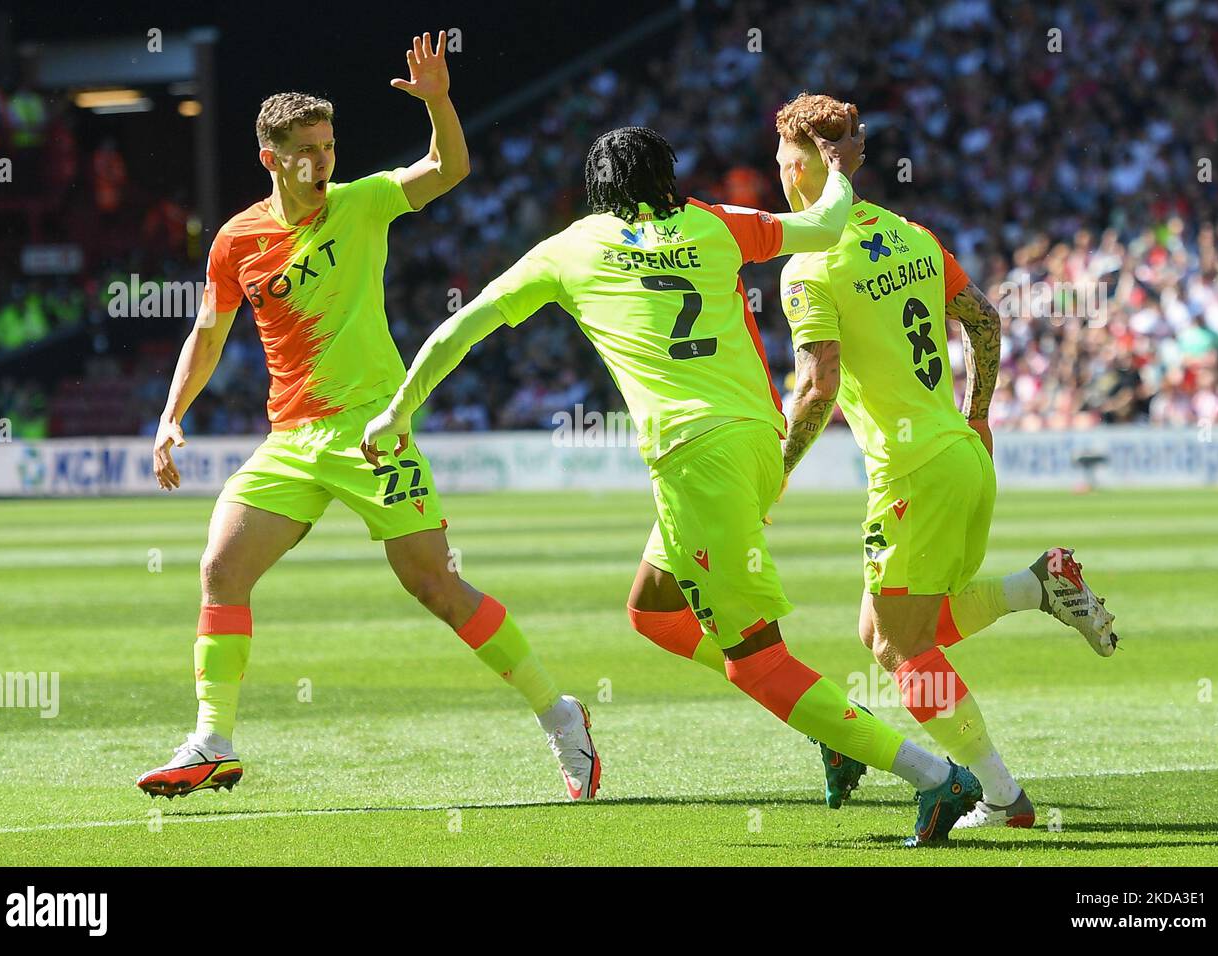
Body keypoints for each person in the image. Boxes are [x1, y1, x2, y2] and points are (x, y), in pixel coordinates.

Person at [365, 120, 987, 846]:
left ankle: (932, 776)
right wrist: (836, 165)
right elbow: (824, 225)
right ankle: (829, 719)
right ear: (668, 177)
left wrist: (399, 408)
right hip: (759, 444)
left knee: (759, 663)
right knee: (653, 609)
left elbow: (461, 329)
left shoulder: (570, 248)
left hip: (696, 461)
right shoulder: (714, 223)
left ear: (598, 190)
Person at [139, 32, 600, 803]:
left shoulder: (362, 203)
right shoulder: (236, 243)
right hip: (290, 441)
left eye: (328, 146)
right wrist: (169, 415)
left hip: (370, 432)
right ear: (269, 158)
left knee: (437, 588)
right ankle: (212, 742)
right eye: (305, 151)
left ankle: (560, 716)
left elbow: (448, 168)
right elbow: (208, 333)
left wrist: (440, 103)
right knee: (220, 569)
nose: (322, 163)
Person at [771, 93, 1119, 828]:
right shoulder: (913, 237)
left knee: (901, 650)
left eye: (779, 159)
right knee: (885, 632)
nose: (776, 172)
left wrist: (775, 471)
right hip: (962, 455)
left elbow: (817, 386)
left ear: (801, 164)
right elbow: (985, 322)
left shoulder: (806, 266)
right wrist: (981, 413)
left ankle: (1000, 795)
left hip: (909, 472)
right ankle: (1039, 587)